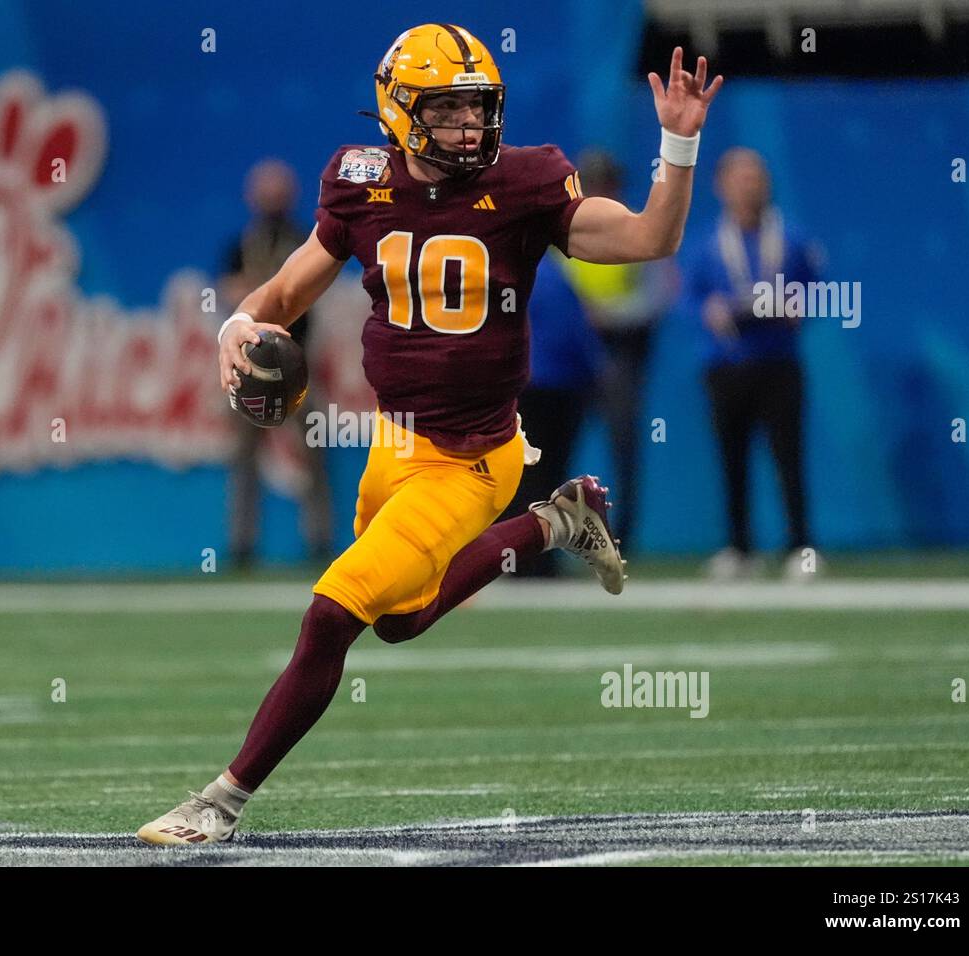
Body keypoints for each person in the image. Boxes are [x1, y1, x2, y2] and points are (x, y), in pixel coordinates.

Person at [137, 24, 722, 845]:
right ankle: (556, 519)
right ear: (400, 113)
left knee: (331, 616)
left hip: (473, 459)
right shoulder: (359, 181)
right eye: (447, 113)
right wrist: (237, 324)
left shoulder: (526, 183)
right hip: (393, 443)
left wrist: (678, 144)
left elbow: (649, 239)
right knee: (401, 620)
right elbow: (289, 287)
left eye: (477, 111)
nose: (468, 130)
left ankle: (221, 800)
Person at [690, 148, 819, 581]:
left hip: (778, 362)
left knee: (789, 458)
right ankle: (738, 547)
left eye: (756, 177)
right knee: (731, 459)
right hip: (726, 365)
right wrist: (709, 312)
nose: (750, 185)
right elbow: (686, 299)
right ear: (721, 185)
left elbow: (819, 292)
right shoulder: (708, 243)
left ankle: (800, 547)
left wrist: (798, 307)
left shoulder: (792, 238)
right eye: (740, 177)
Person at [562, 150, 679, 554]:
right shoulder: (560, 230)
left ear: (615, 188)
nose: (595, 192)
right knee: (549, 447)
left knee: (623, 447)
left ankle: (619, 539)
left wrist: (606, 315)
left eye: (602, 184)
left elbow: (659, 295)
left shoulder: (636, 230)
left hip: (620, 355)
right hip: (566, 358)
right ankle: (542, 542)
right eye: (588, 184)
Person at [220, 159, 332, 569]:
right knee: (244, 457)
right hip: (249, 367)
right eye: (266, 194)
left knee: (315, 451)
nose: (272, 201)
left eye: (278, 193)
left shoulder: (305, 239)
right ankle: (241, 546)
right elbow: (230, 291)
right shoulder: (241, 244)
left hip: (296, 363)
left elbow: (309, 291)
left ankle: (319, 540)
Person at [499, 249, 606, 578]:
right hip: (555, 389)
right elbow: (573, 333)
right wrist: (598, 371)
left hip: (518, 389)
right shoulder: (552, 276)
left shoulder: (507, 272)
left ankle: (516, 558)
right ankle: (537, 558)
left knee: (520, 479)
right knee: (546, 478)